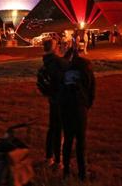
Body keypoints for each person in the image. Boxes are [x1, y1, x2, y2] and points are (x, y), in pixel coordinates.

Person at [60, 40, 95, 181]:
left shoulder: (64, 69)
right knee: (81, 141)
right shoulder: (87, 68)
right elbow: (92, 90)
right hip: (80, 108)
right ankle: (82, 173)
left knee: (68, 140)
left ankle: (66, 171)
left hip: (66, 107)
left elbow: (60, 87)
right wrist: (86, 105)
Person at [37, 39, 66, 168]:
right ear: (55, 48)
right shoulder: (58, 62)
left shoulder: (45, 63)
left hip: (52, 99)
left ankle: (49, 157)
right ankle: (58, 160)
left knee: (52, 128)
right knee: (59, 129)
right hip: (61, 99)